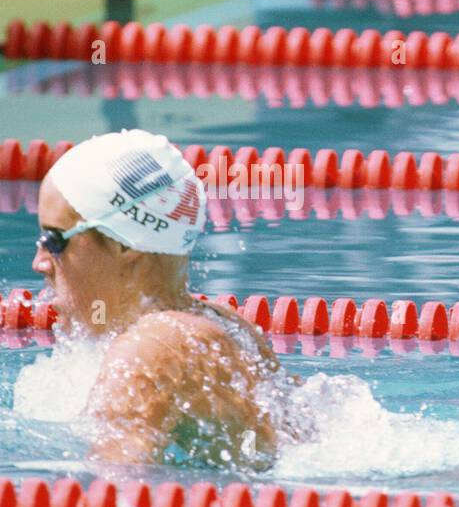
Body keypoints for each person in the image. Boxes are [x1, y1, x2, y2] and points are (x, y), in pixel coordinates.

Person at [33, 129, 294, 468]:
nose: (39, 262)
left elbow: (115, 491)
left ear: (123, 244)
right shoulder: (225, 325)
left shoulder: (147, 354)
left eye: (54, 241)